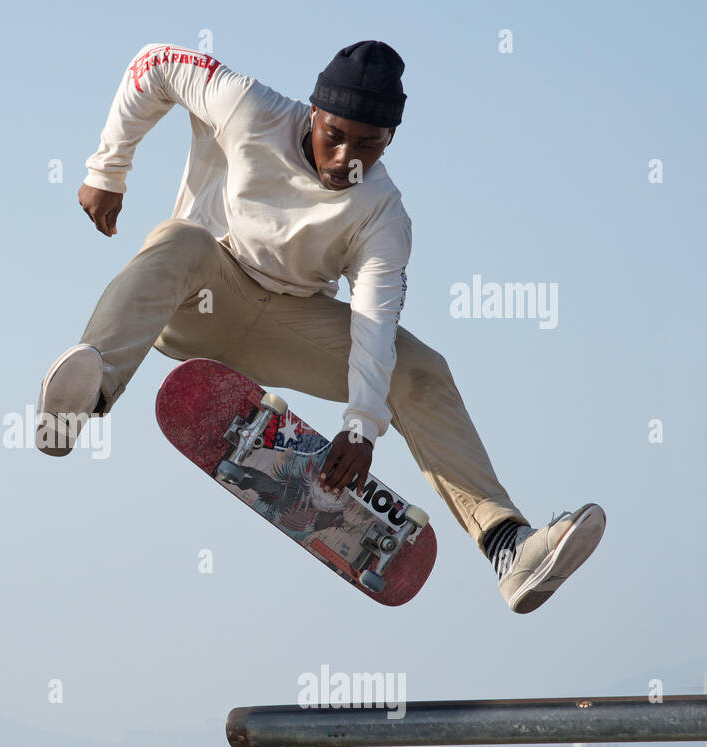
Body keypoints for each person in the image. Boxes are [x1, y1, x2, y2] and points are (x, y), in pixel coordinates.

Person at [35, 40, 604, 613]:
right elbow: (155, 63)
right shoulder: (248, 107)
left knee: (420, 369)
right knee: (180, 239)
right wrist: (108, 168)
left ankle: (507, 544)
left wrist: (362, 425)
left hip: (289, 327)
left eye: (367, 146)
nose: (344, 160)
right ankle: (82, 400)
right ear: (312, 113)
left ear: (390, 141)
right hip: (199, 297)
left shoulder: (383, 215)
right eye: (334, 135)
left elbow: (375, 321)